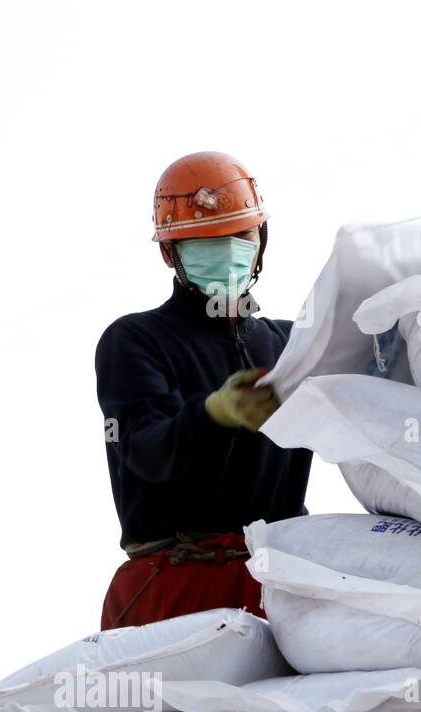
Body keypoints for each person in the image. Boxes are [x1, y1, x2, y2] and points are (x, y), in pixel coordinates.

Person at [94, 151, 312, 630]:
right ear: (169, 252)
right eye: (203, 241)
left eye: (239, 235)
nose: (226, 248)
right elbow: (145, 452)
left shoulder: (294, 344)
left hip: (283, 580)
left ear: (261, 240)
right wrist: (214, 415)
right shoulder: (134, 340)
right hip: (176, 585)